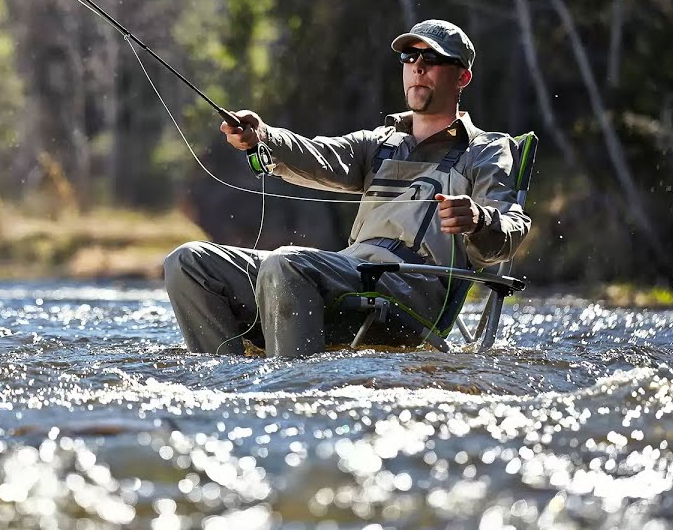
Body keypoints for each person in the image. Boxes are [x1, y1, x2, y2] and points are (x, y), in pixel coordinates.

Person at [163, 19, 532, 357]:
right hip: (350, 274)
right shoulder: (378, 143)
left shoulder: (485, 150)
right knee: (188, 261)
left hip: (407, 297)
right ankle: (226, 389)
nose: (418, 66)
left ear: (462, 78)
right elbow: (317, 154)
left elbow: (511, 226)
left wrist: (479, 219)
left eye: (433, 58)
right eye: (410, 56)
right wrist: (263, 136)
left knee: (286, 262)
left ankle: (288, 392)